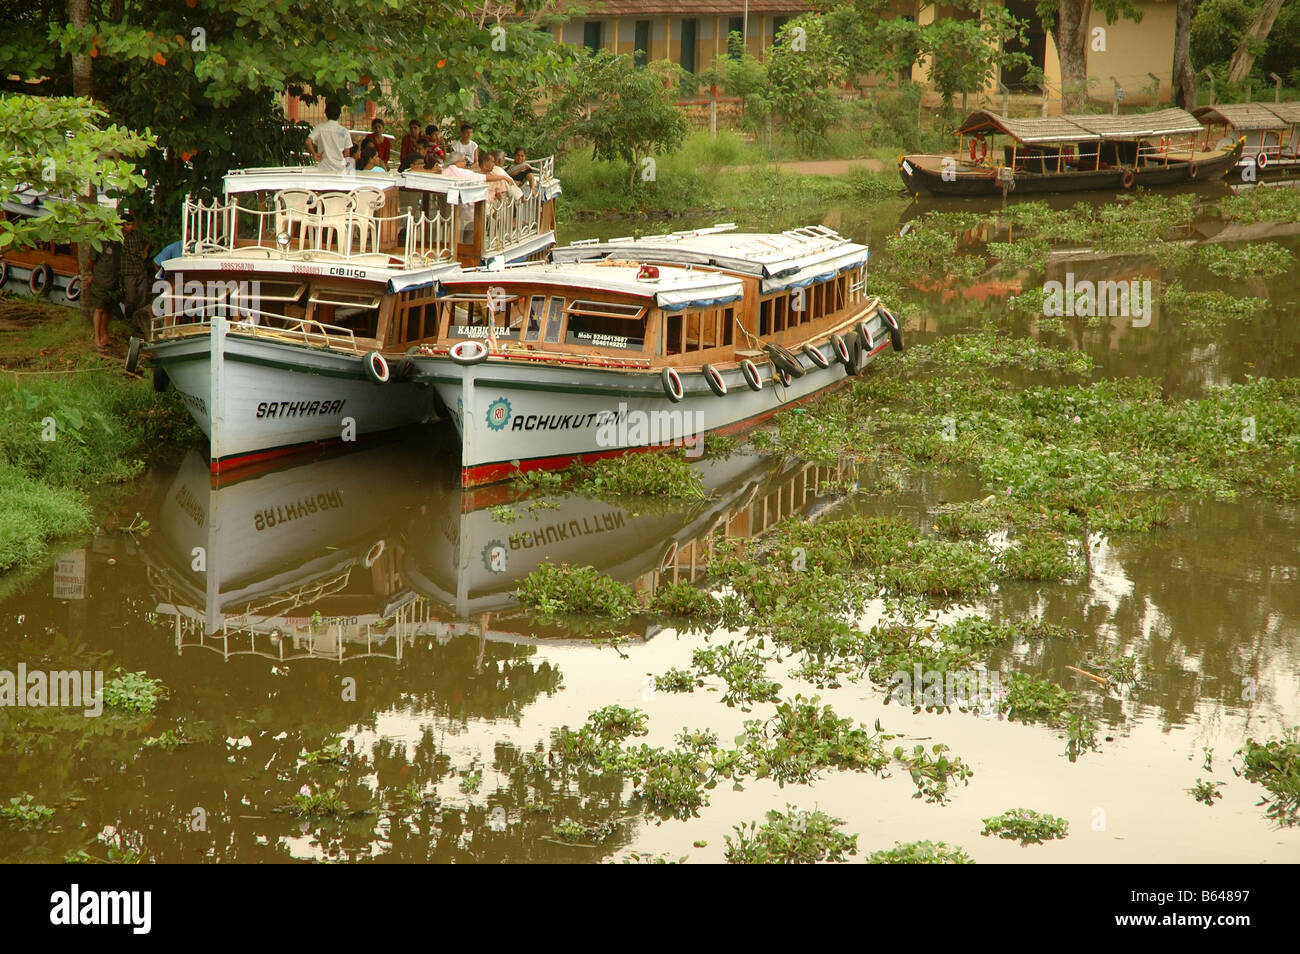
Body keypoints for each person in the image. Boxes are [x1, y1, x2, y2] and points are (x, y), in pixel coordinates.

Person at [85, 236, 122, 352]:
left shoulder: (118, 242)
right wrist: (93, 274)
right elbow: (91, 261)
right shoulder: (98, 242)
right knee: (99, 309)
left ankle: (105, 337)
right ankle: (97, 339)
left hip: (113, 281)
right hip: (100, 281)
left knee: (107, 309)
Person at [119, 212, 152, 337]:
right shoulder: (117, 237)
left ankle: (140, 323)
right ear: (122, 225)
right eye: (128, 225)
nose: (130, 227)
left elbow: (149, 240)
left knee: (142, 296)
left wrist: (145, 252)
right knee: (131, 298)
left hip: (140, 269)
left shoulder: (137, 235)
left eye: (132, 224)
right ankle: (129, 322)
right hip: (128, 272)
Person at [307, 101, 352, 173]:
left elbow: (308, 141)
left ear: (326, 114)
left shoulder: (320, 128)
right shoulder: (344, 131)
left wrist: (314, 154)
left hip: (324, 166)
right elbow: (347, 154)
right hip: (339, 168)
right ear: (339, 114)